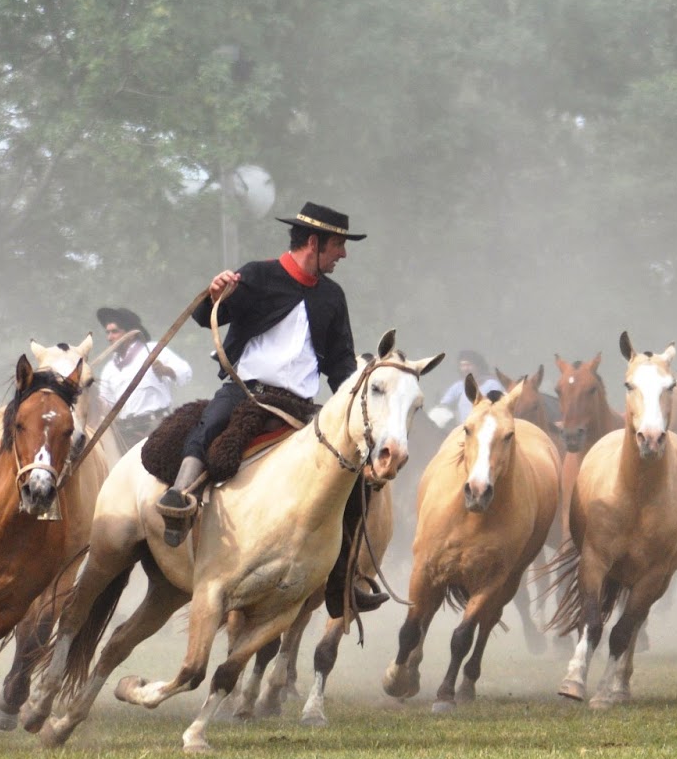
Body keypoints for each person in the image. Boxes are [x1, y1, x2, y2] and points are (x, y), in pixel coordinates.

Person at [157, 201, 381, 612]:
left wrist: (355, 401)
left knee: (350, 479)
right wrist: (215, 292)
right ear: (313, 242)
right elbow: (208, 315)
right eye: (338, 246)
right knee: (211, 425)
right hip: (249, 390)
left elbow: (341, 363)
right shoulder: (258, 275)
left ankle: (341, 582)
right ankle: (179, 500)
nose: (343, 255)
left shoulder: (333, 297)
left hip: (300, 406)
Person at [95, 306, 193, 449]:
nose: (109, 337)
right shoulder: (109, 369)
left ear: (131, 334)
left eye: (115, 332)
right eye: (108, 333)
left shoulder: (154, 350)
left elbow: (185, 371)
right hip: (125, 433)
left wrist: (166, 370)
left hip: (157, 426)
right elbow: (106, 404)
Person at [429, 350, 505, 428]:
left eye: (468, 365)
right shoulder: (458, 386)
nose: (465, 368)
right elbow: (444, 405)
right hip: (465, 429)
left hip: (486, 428)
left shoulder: (492, 385)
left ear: (477, 366)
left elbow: (500, 408)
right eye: (462, 365)